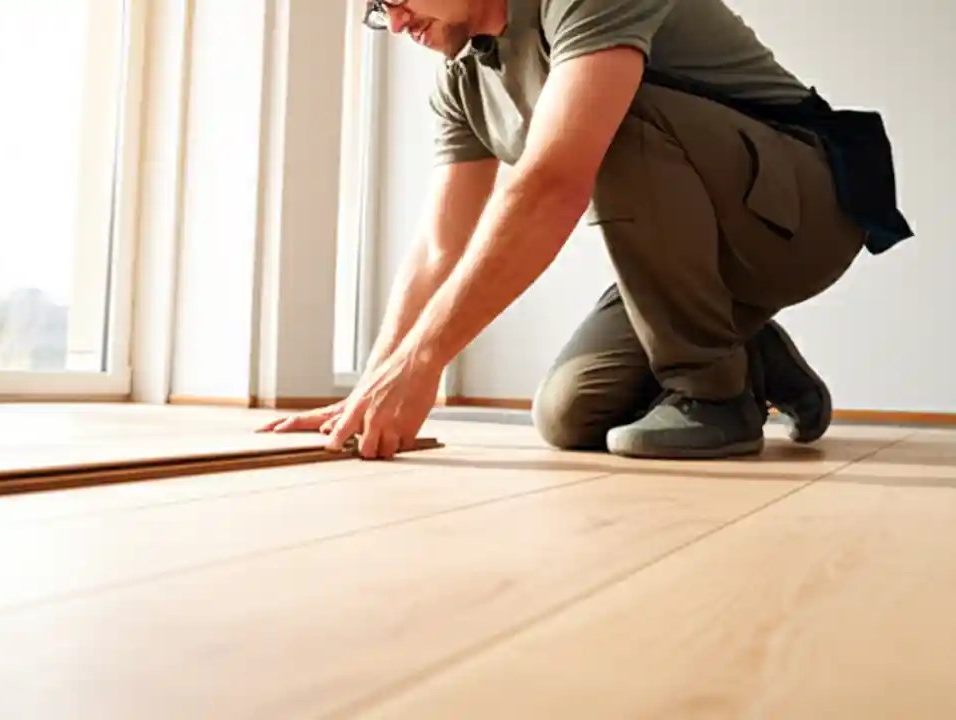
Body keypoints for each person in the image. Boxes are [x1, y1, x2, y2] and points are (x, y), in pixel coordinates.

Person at [259, 0, 911, 460]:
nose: (393, 21)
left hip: (810, 209)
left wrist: (425, 360)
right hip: (719, 253)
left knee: (611, 118)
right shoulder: (462, 79)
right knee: (570, 414)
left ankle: (714, 393)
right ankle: (750, 355)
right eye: (378, 8)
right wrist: (379, 380)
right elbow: (441, 245)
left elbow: (552, 179)